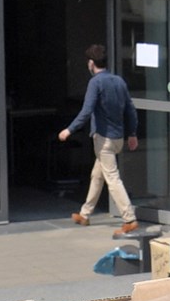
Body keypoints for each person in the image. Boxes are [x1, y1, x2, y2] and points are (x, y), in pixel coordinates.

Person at [57, 44, 140, 236]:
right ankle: (85, 214)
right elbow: (130, 109)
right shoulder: (118, 81)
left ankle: (129, 218)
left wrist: (69, 130)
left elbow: (86, 111)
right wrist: (132, 133)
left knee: (112, 178)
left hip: (104, 139)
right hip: (118, 137)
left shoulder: (96, 83)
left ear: (91, 63)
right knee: (97, 175)